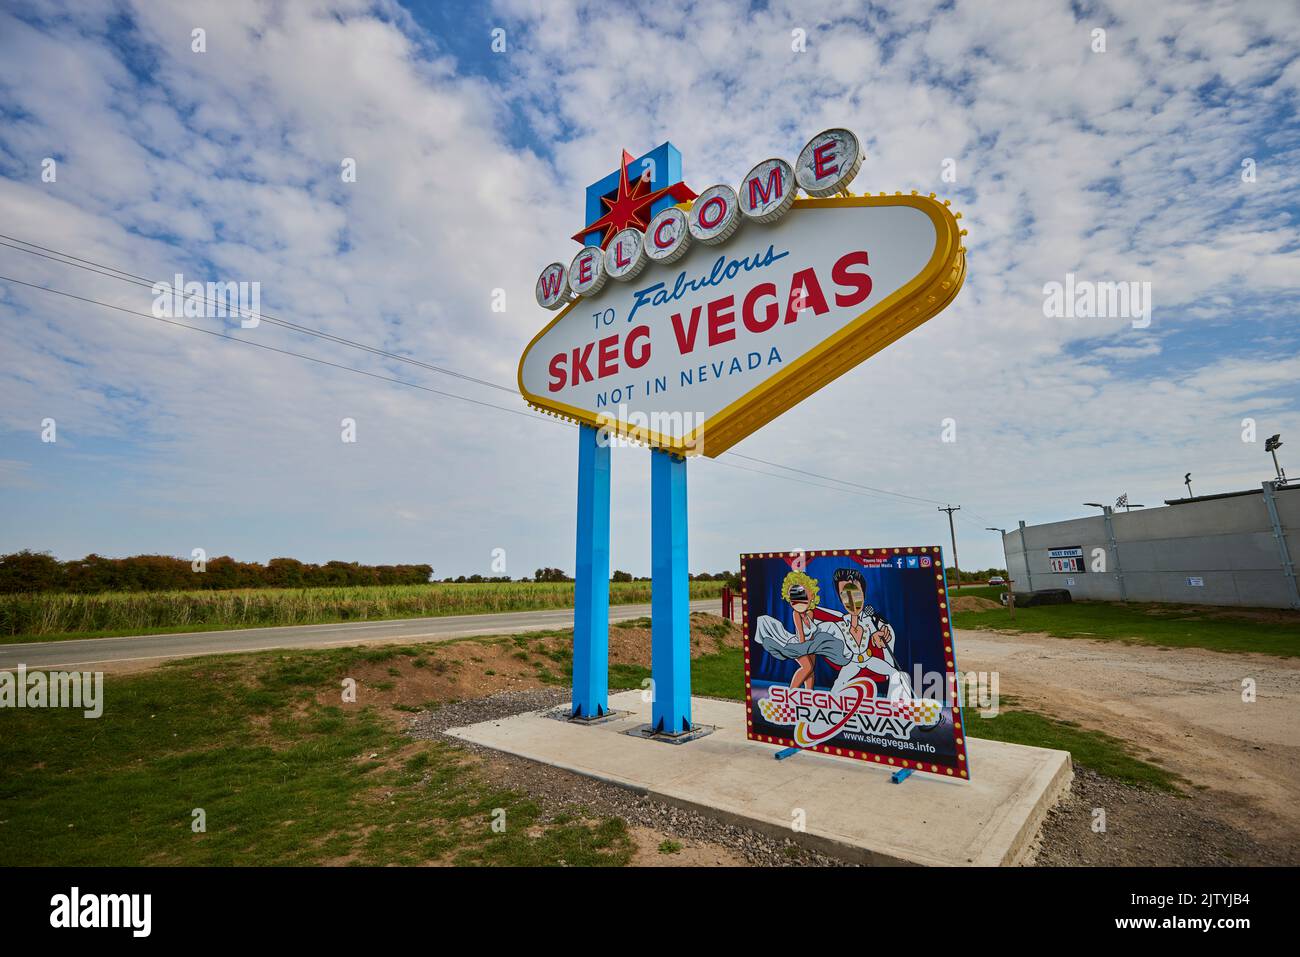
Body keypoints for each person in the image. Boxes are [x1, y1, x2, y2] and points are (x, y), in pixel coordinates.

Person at [822, 567, 913, 699]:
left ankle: (897, 710)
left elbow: (877, 633)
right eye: (845, 595)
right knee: (837, 686)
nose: (852, 601)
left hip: (869, 659)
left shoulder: (868, 619)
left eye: (856, 594)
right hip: (852, 664)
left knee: (898, 675)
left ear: (863, 594)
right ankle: (841, 706)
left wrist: (878, 636)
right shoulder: (841, 623)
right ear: (840, 599)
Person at [754, 570, 845, 688]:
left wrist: (815, 646)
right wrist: (806, 647)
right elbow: (801, 635)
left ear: (811, 595)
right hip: (798, 645)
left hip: (810, 644)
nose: (798, 602)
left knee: (811, 670)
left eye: (802, 596)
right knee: (807, 667)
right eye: (794, 599)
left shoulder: (810, 613)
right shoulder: (796, 614)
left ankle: (808, 694)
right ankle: (791, 692)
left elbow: (812, 634)